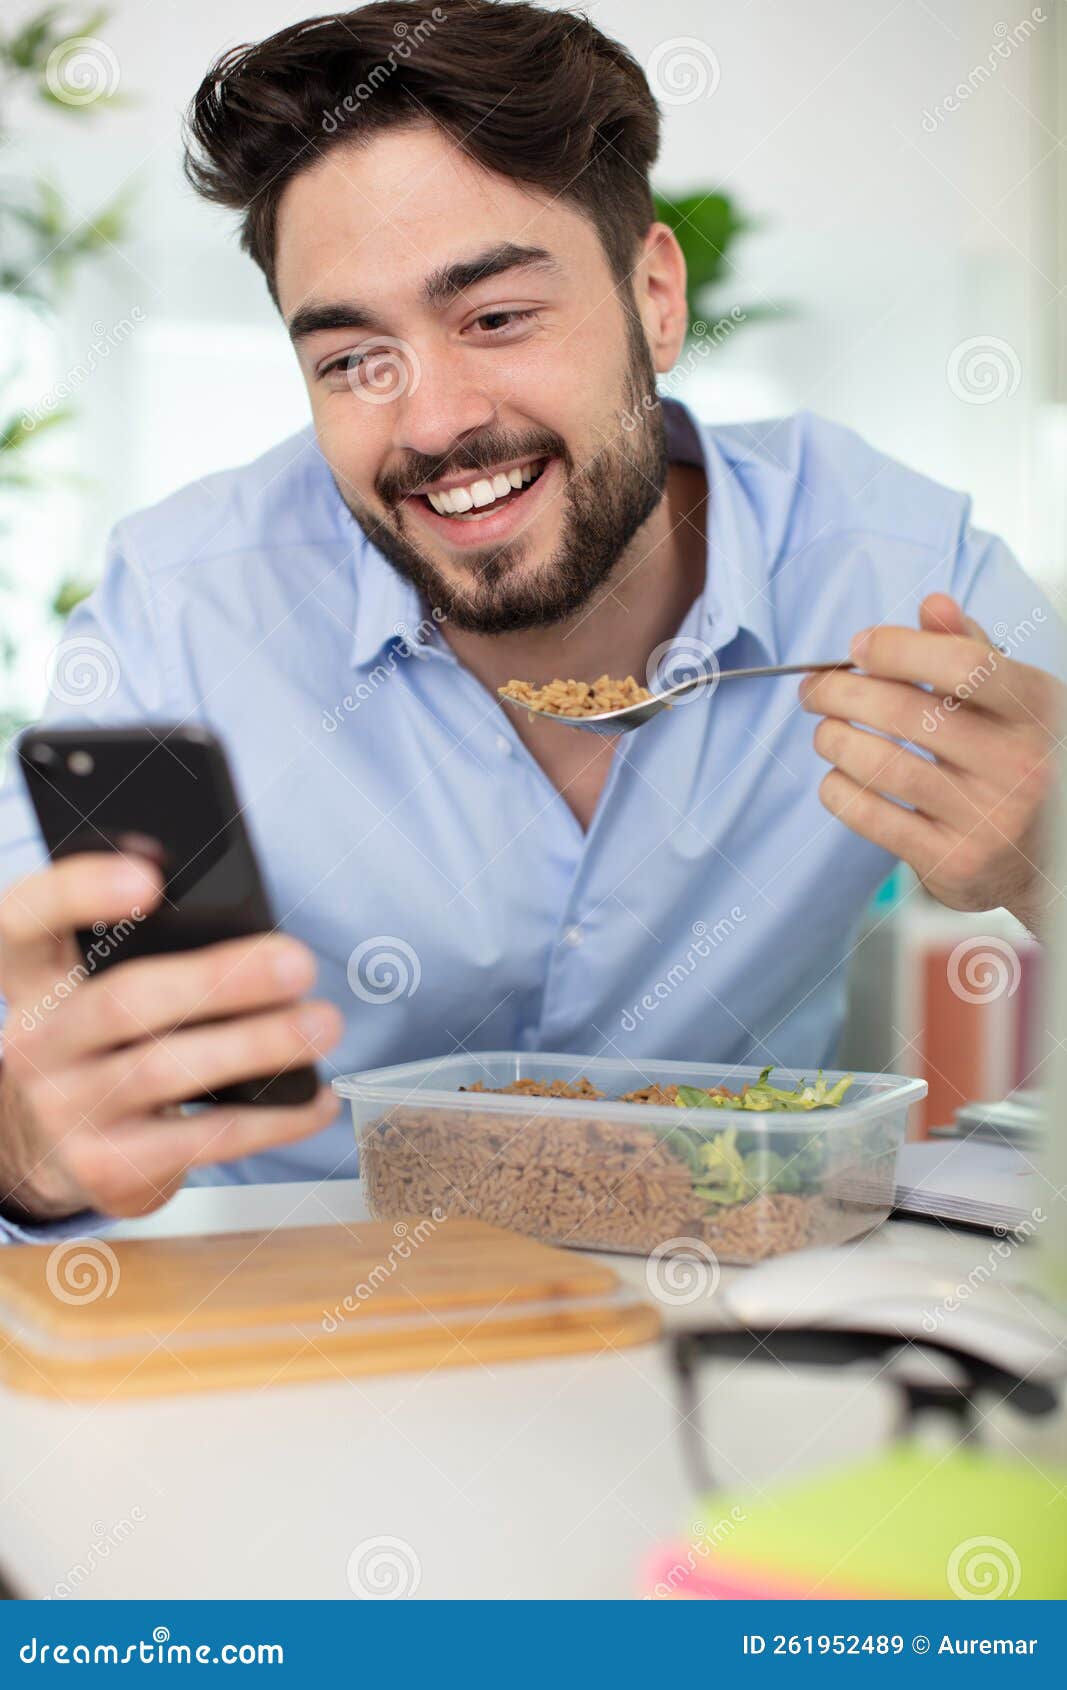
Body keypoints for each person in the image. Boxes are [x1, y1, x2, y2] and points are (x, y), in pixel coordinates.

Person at [0, 0, 1062, 1237]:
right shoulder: (177, 610)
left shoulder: (891, 564)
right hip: (278, 1333)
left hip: (722, 1312)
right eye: (351, 358)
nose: (433, 422)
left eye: (496, 317)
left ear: (654, 297)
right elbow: (35, 1037)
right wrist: (30, 1144)